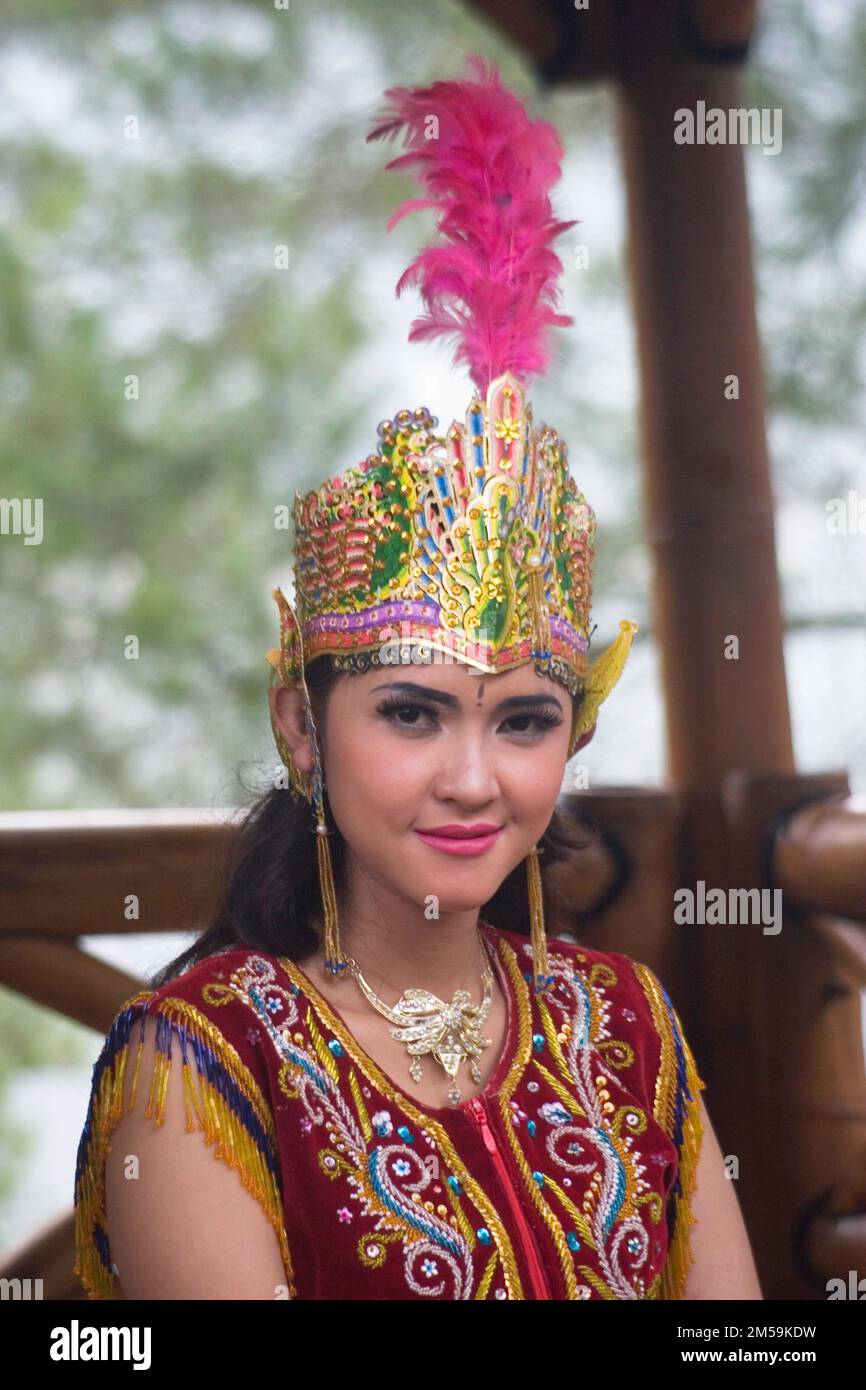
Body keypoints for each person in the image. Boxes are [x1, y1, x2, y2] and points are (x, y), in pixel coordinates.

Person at [73, 55, 761, 1301]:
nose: (471, 778)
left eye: (525, 720)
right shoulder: (205, 1061)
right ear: (300, 726)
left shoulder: (627, 1022)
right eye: (409, 710)